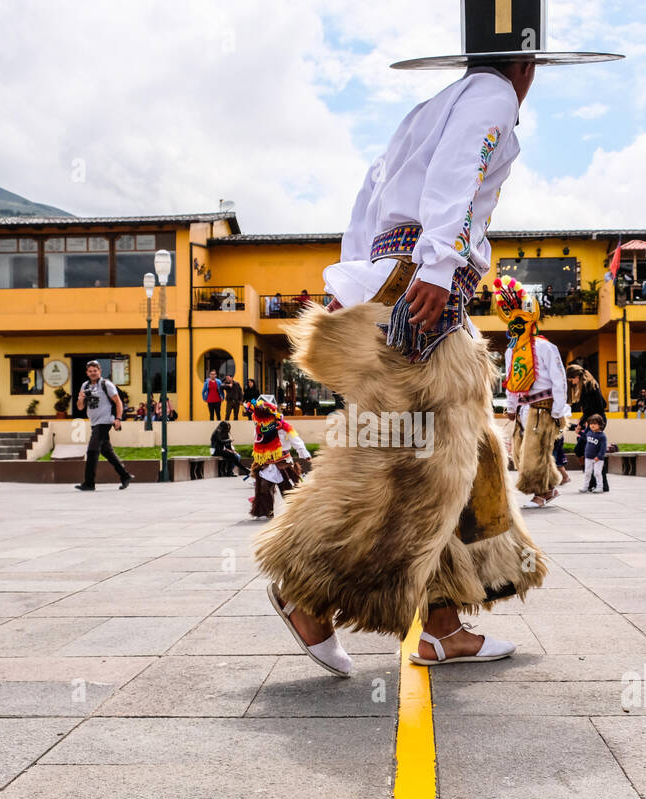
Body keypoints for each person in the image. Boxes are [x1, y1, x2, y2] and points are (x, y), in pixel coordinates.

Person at [255, 5, 620, 675]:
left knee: (467, 454)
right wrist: (441, 264)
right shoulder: (492, 96)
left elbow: (370, 193)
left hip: (397, 277)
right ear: (528, 64)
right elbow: (459, 175)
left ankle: (441, 624)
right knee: (413, 458)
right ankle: (304, 589)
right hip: (425, 288)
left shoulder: (433, 104)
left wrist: (356, 279)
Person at [501, 278, 570, 509]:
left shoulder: (546, 347)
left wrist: (559, 410)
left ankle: (541, 495)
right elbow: (511, 381)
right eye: (512, 322)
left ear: (530, 321)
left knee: (534, 453)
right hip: (523, 408)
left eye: (520, 320)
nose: (515, 326)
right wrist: (511, 408)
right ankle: (549, 489)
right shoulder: (511, 352)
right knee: (520, 454)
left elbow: (559, 379)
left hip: (544, 407)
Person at [74, 360, 131, 491]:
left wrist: (118, 418)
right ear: (87, 373)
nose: (93, 373)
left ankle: (89, 483)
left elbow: (118, 402)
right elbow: (80, 407)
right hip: (94, 423)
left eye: (95, 370)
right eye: (90, 371)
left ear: (100, 371)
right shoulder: (85, 385)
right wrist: (81, 398)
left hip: (105, 422)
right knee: (106, 451)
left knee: (92, 451)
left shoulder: (106, 384)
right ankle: (125, 475)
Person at [246, 398, 301, 518]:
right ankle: (265, 510)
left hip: (283, 463)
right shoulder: (259, 429)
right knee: (263, 489)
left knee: (288, 490)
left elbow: (295, 440)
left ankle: (295, 512)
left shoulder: (284, 428)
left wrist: (304, 453)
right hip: (266, 465)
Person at [579, 415, 607, 493]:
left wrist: (599, 456)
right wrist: (580, 433)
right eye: (591, 424)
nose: (592, 425)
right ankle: (585, 487)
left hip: (598, 459)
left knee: (597, 473)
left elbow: (603, 448)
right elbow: (585, 438)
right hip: (588, 457)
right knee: (587, 472)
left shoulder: (602, 436)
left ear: (600, 425)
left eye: (595, 424)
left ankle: (600, 487)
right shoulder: (589, 433)